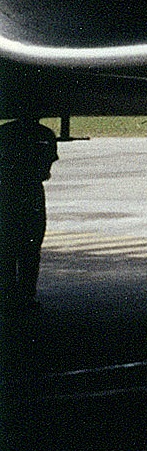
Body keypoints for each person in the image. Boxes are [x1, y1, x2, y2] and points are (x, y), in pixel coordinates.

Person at [0, 118, 57, 312]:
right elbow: (45, 171)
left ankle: (7, 295)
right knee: (31, 247)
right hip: (32, 193)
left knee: (7, 248)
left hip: (7, 191)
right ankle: (26, 295)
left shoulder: (5, 132)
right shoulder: (45, 134)